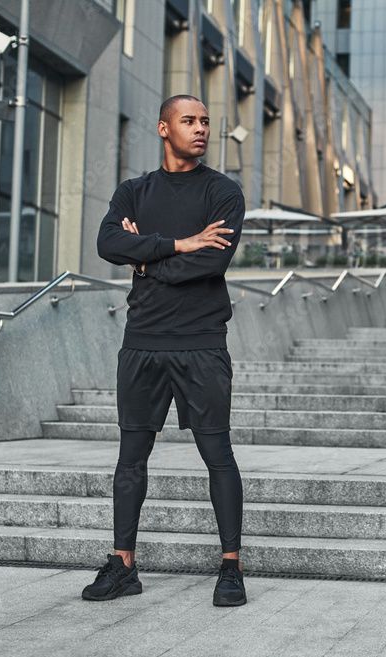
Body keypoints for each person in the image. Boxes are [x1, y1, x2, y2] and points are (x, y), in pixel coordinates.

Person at [85, 94, 246, 607]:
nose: (200, 129)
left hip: (201, 343)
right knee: (131, 457)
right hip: (142, 344)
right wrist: (178, 244)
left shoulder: (224, 192)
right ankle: (122, 565)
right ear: (162, 128)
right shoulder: (134, 191)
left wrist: (145, 257)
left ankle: (231, 567)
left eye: (204, 122)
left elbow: (211, 266)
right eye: (188, 120)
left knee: (216, 454)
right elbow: (108, 243)